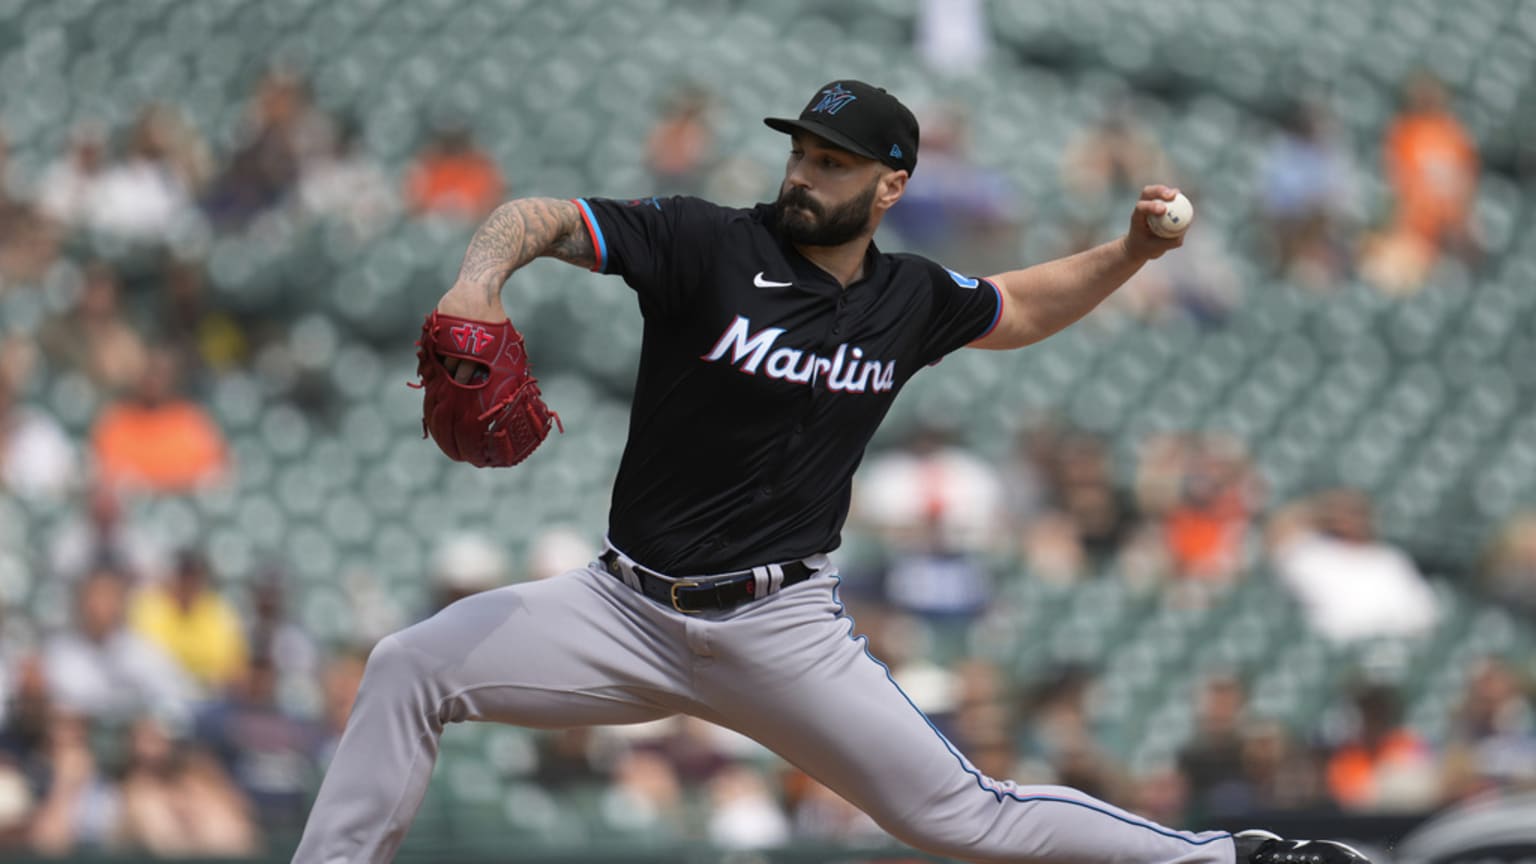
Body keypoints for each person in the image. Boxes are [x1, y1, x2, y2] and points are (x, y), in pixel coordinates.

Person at [293, 80, 1371, 864]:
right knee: (408, 668)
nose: (804, 173)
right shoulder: (704, 243)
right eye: (801, 152)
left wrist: (1130, 254)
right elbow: (537, 218)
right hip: (619, 607)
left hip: (779, 626)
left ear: (890, 185)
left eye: (833, 161)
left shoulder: (909, 298)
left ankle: (1229, 860)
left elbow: (1021, 305)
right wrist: (480, 280)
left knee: (964, 818)